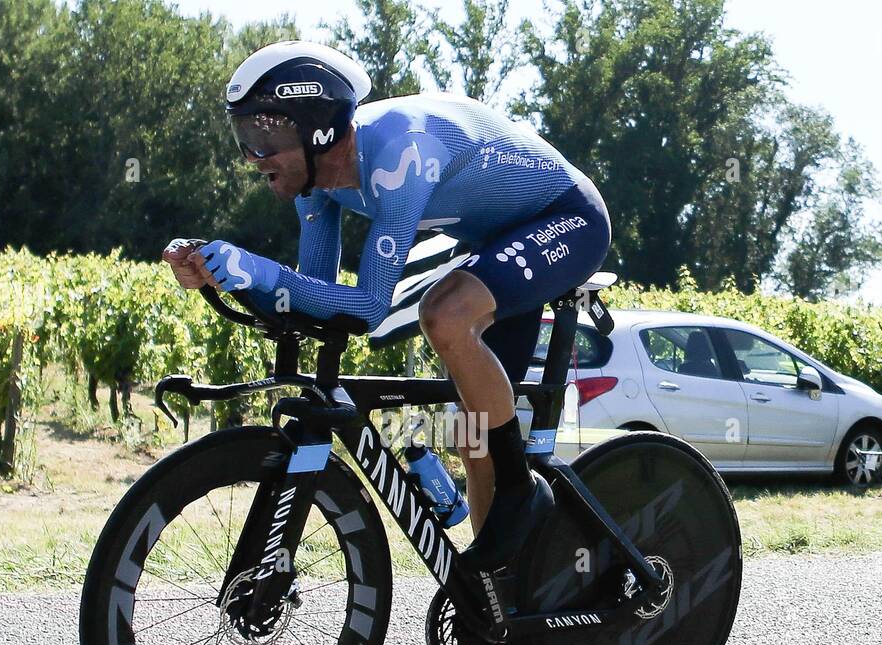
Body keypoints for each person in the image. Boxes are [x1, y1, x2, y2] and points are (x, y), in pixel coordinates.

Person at [164, 39, 611, 573]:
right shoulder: (316, 185)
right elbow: (315, 299)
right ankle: (498, 599)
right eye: (245, 138)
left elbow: (371, 307)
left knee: (444, 314)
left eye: (267, 137)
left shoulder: (401, 153)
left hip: (568, 217)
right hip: (497, 241)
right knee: (472, 440)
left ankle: (521, 489)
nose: (254, 158)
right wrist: (225, 274)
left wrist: (254, 268)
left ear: (317, 127)